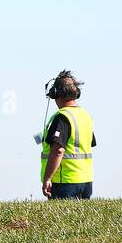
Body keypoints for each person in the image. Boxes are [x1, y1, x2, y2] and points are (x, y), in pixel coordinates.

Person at [40, 70, 96, 200]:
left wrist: (47, 178)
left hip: (65, 181)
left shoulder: (62, 117)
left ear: (56, 93)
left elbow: (58, 150)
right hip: (86, 181)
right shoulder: (86, 116)